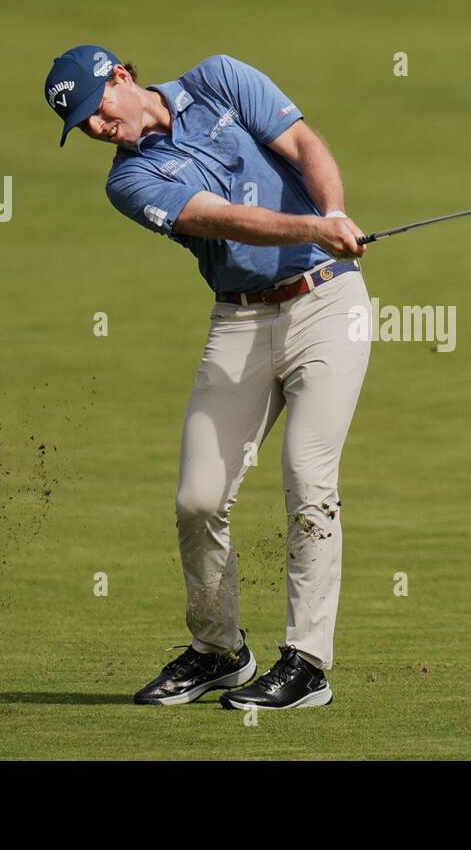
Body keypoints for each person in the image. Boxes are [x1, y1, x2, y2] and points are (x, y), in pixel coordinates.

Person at [43, 44, 371, 709]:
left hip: (329, 302)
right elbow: (216, 217)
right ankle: (219, 650)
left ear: (123, 77)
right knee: (198, 498)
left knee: (309, 479)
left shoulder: (219, 78)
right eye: (85, 128)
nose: (100, 130)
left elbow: (304, 142)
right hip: (240, 321)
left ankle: (307, 664)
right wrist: (310, 224)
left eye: (98, 110)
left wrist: (333, 215)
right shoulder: (126, 183)